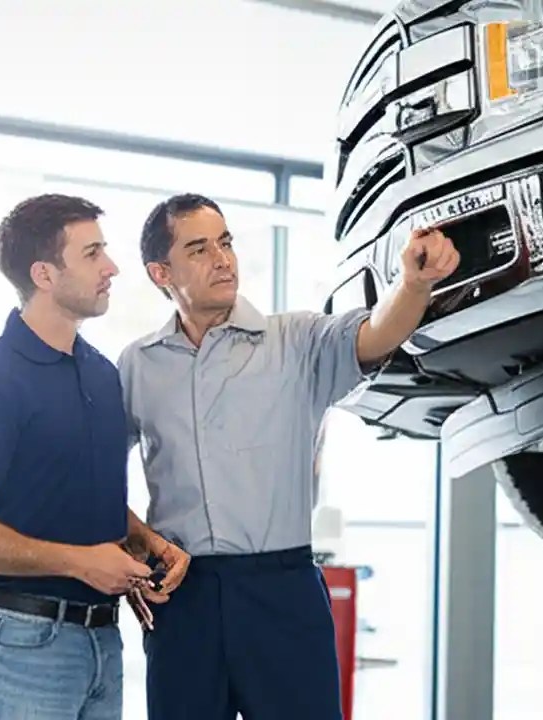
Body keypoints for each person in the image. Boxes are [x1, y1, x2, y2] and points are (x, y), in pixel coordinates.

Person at [118, 193, 459, 719]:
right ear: (161, 272)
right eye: (200, 248)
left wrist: (412, 285)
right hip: (183, 600)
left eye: (226, 242)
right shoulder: (137, 365)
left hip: (282, 592)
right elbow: (94, 473)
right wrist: (136, 546)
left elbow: (376, 333)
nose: (224, 259)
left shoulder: (296, 341)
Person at [0, 193, 189, 720]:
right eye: (92, 254)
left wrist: (145, 543)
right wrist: (82, 563)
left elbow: (77, 497)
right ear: (44, 275)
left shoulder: (100, 374)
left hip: (102, 641)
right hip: (22, 647)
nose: (112, 267)